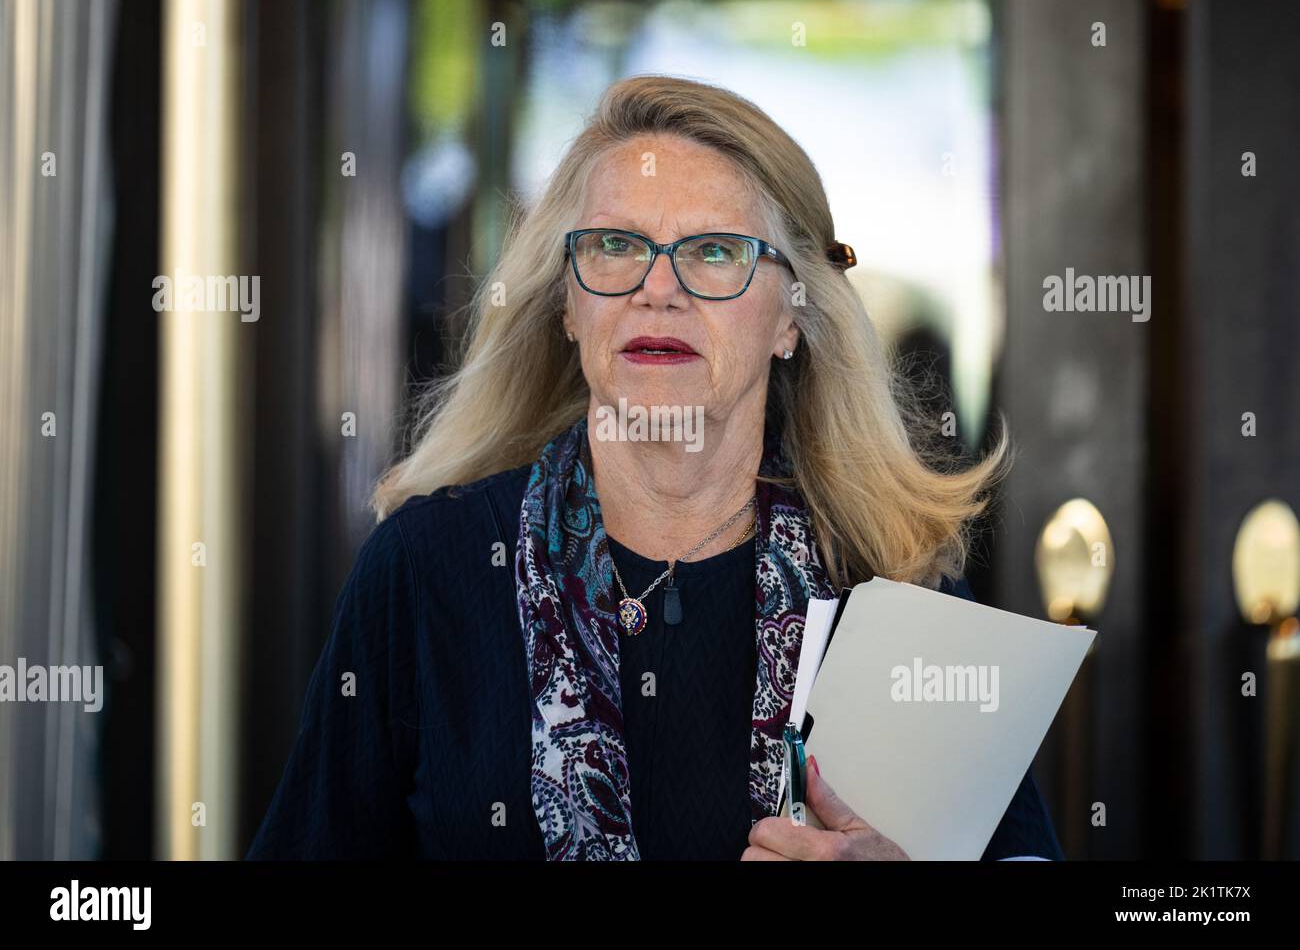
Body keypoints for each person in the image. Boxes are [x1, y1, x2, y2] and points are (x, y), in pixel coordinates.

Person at [246, 74, 1063, 861]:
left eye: (713, 252)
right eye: (615, 245)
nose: (658, 288)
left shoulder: (895, 589)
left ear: (791, 318)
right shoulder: (429, 570)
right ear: (568, 304)